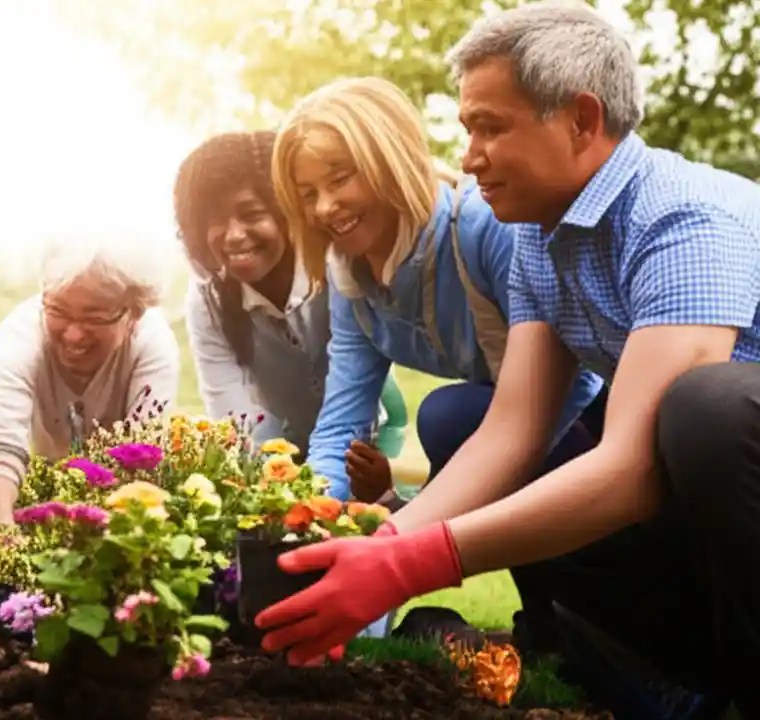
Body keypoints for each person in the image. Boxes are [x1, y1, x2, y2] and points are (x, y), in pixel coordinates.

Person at [254, 3, 760, 716]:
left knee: (701, 411)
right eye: (467, 130)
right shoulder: (540, 239)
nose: (467, 157)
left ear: (581, 120)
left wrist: (411, 564)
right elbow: (515, 431)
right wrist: (381, 541)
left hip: (723, 467)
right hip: (712, 509)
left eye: (490, 127)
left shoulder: (685, 221)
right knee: (513, 449)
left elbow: (634, 470)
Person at [272, 76, 603, 506]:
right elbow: (341, 424)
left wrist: (436, 505)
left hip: (598, 415)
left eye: (339, 179)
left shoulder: (486, 230)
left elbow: (577, 381)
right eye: (308, 194)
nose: (324, 207)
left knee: (450, 417)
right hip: (514, 426)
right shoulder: (352, 280)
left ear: (389, 161)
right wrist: (309, 512)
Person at [174, 130, 410, 480]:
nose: (234, 234)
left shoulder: (337, 268)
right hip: (281, 443)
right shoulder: (209, 302)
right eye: (215, 221)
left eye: (251, 213)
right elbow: (234, 419)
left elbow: (355, 397)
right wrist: (271, 479)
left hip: (366, 429)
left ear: (285, 210)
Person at [0, 230, 180, 528]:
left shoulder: (152, 344)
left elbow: (142, 455)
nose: (73, 334)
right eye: (58, 310)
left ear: (134, 312)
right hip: (43, 481)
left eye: (94, 317)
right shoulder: (18, 338)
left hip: (120, 495)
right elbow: (3, 446)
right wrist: (1, 530)